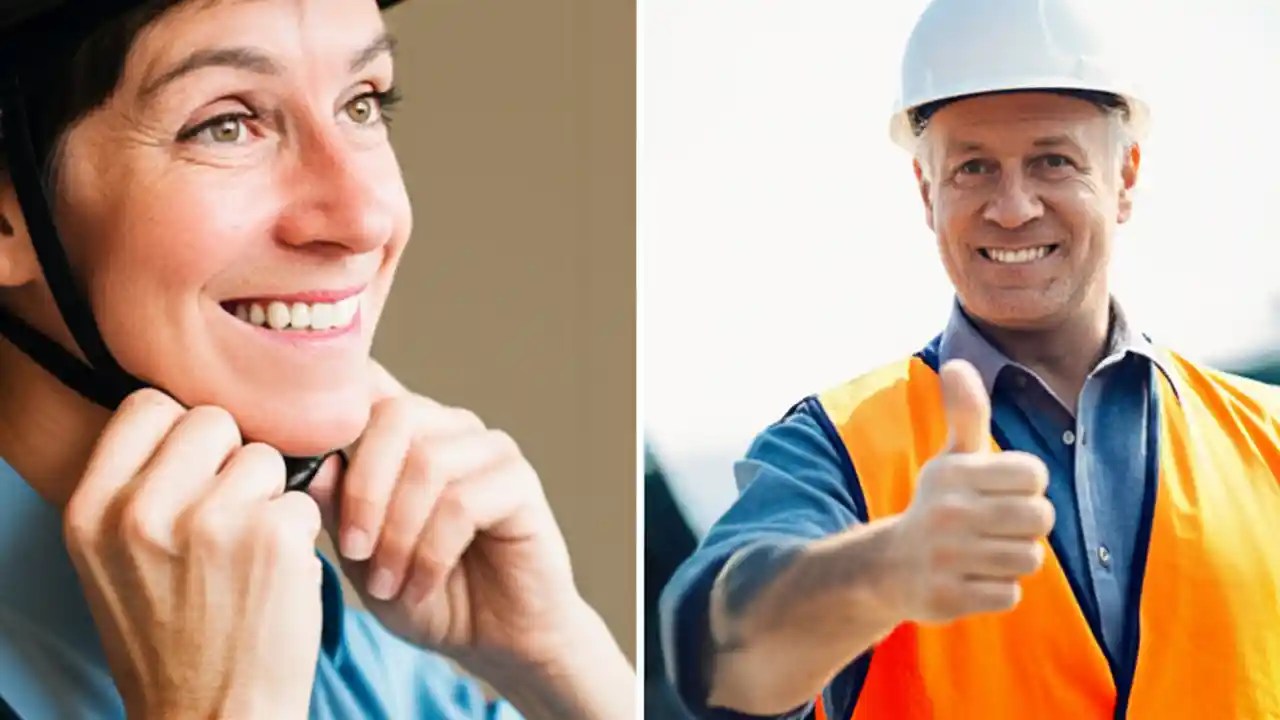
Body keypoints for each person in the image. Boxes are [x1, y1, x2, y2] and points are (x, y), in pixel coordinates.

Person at [0, 1, 633, 718]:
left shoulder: (370, 669)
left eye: (362, 104)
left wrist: (560, 659)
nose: (365, 217)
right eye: (227, 124)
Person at [659, 0, 1280, 718]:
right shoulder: (836, 448)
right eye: (973, 168)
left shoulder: (1265, 439)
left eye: (1053, 160)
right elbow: (720, 662)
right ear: (928, 193)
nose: (1012, 207)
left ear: (1126, 177)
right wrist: (886, 569)